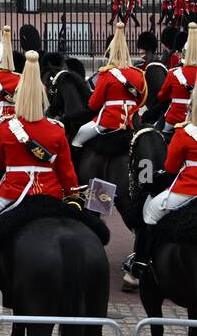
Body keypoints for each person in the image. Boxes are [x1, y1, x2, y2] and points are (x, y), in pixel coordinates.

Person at [0, 51, 79, 299]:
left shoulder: (4, 129)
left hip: (12, 192)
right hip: (50, 193)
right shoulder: (57, 130)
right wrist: (72, 196)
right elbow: (67, 174)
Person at [125, 84, 197, 278]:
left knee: (149, 212)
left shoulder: (184, 134)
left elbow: (171, 168)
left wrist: (150, 181)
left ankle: (140, 263)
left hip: (188, 189)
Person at [78, 22, 147, 147]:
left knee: (78, 137)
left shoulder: (106, 74)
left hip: (109, 121)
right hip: (133, 123)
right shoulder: (139, 74)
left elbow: (93, 104)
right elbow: (141, 101)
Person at [158, 24, 197, 130]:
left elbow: (162, 96)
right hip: (195, 119)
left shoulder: (174, 73)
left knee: (161, 135)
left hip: (175, 119)